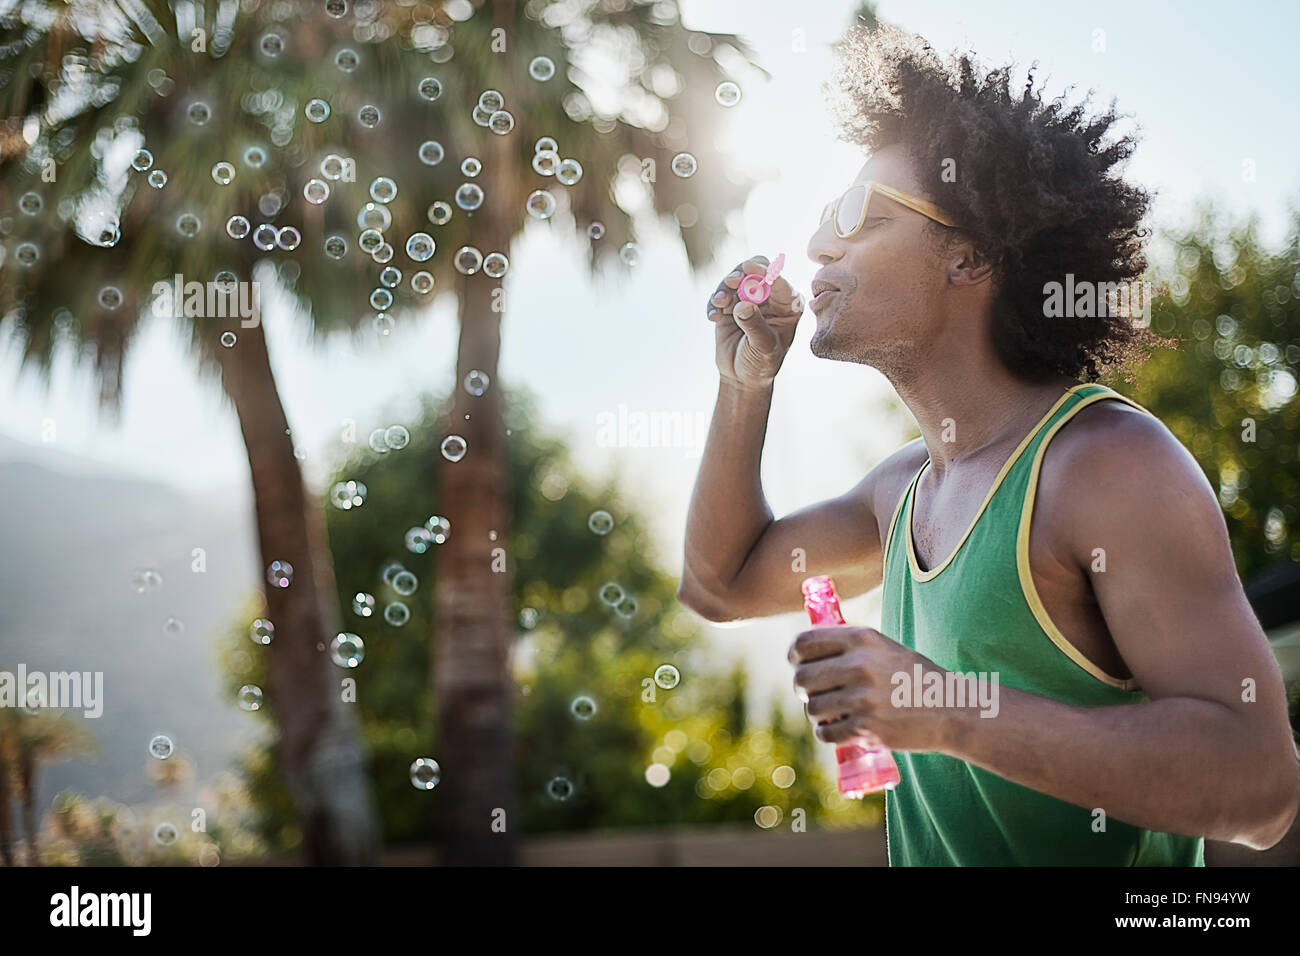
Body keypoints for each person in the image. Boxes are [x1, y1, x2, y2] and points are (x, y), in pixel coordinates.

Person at [676, 23, 1300, 865]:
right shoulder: (900, 489)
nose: (822, 242)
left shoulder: (1106, 466)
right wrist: (745, 384)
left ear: (967, 256)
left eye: (859, 215)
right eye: (827, 214)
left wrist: (939, 708)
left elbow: (1260, 788)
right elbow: (722, 584)